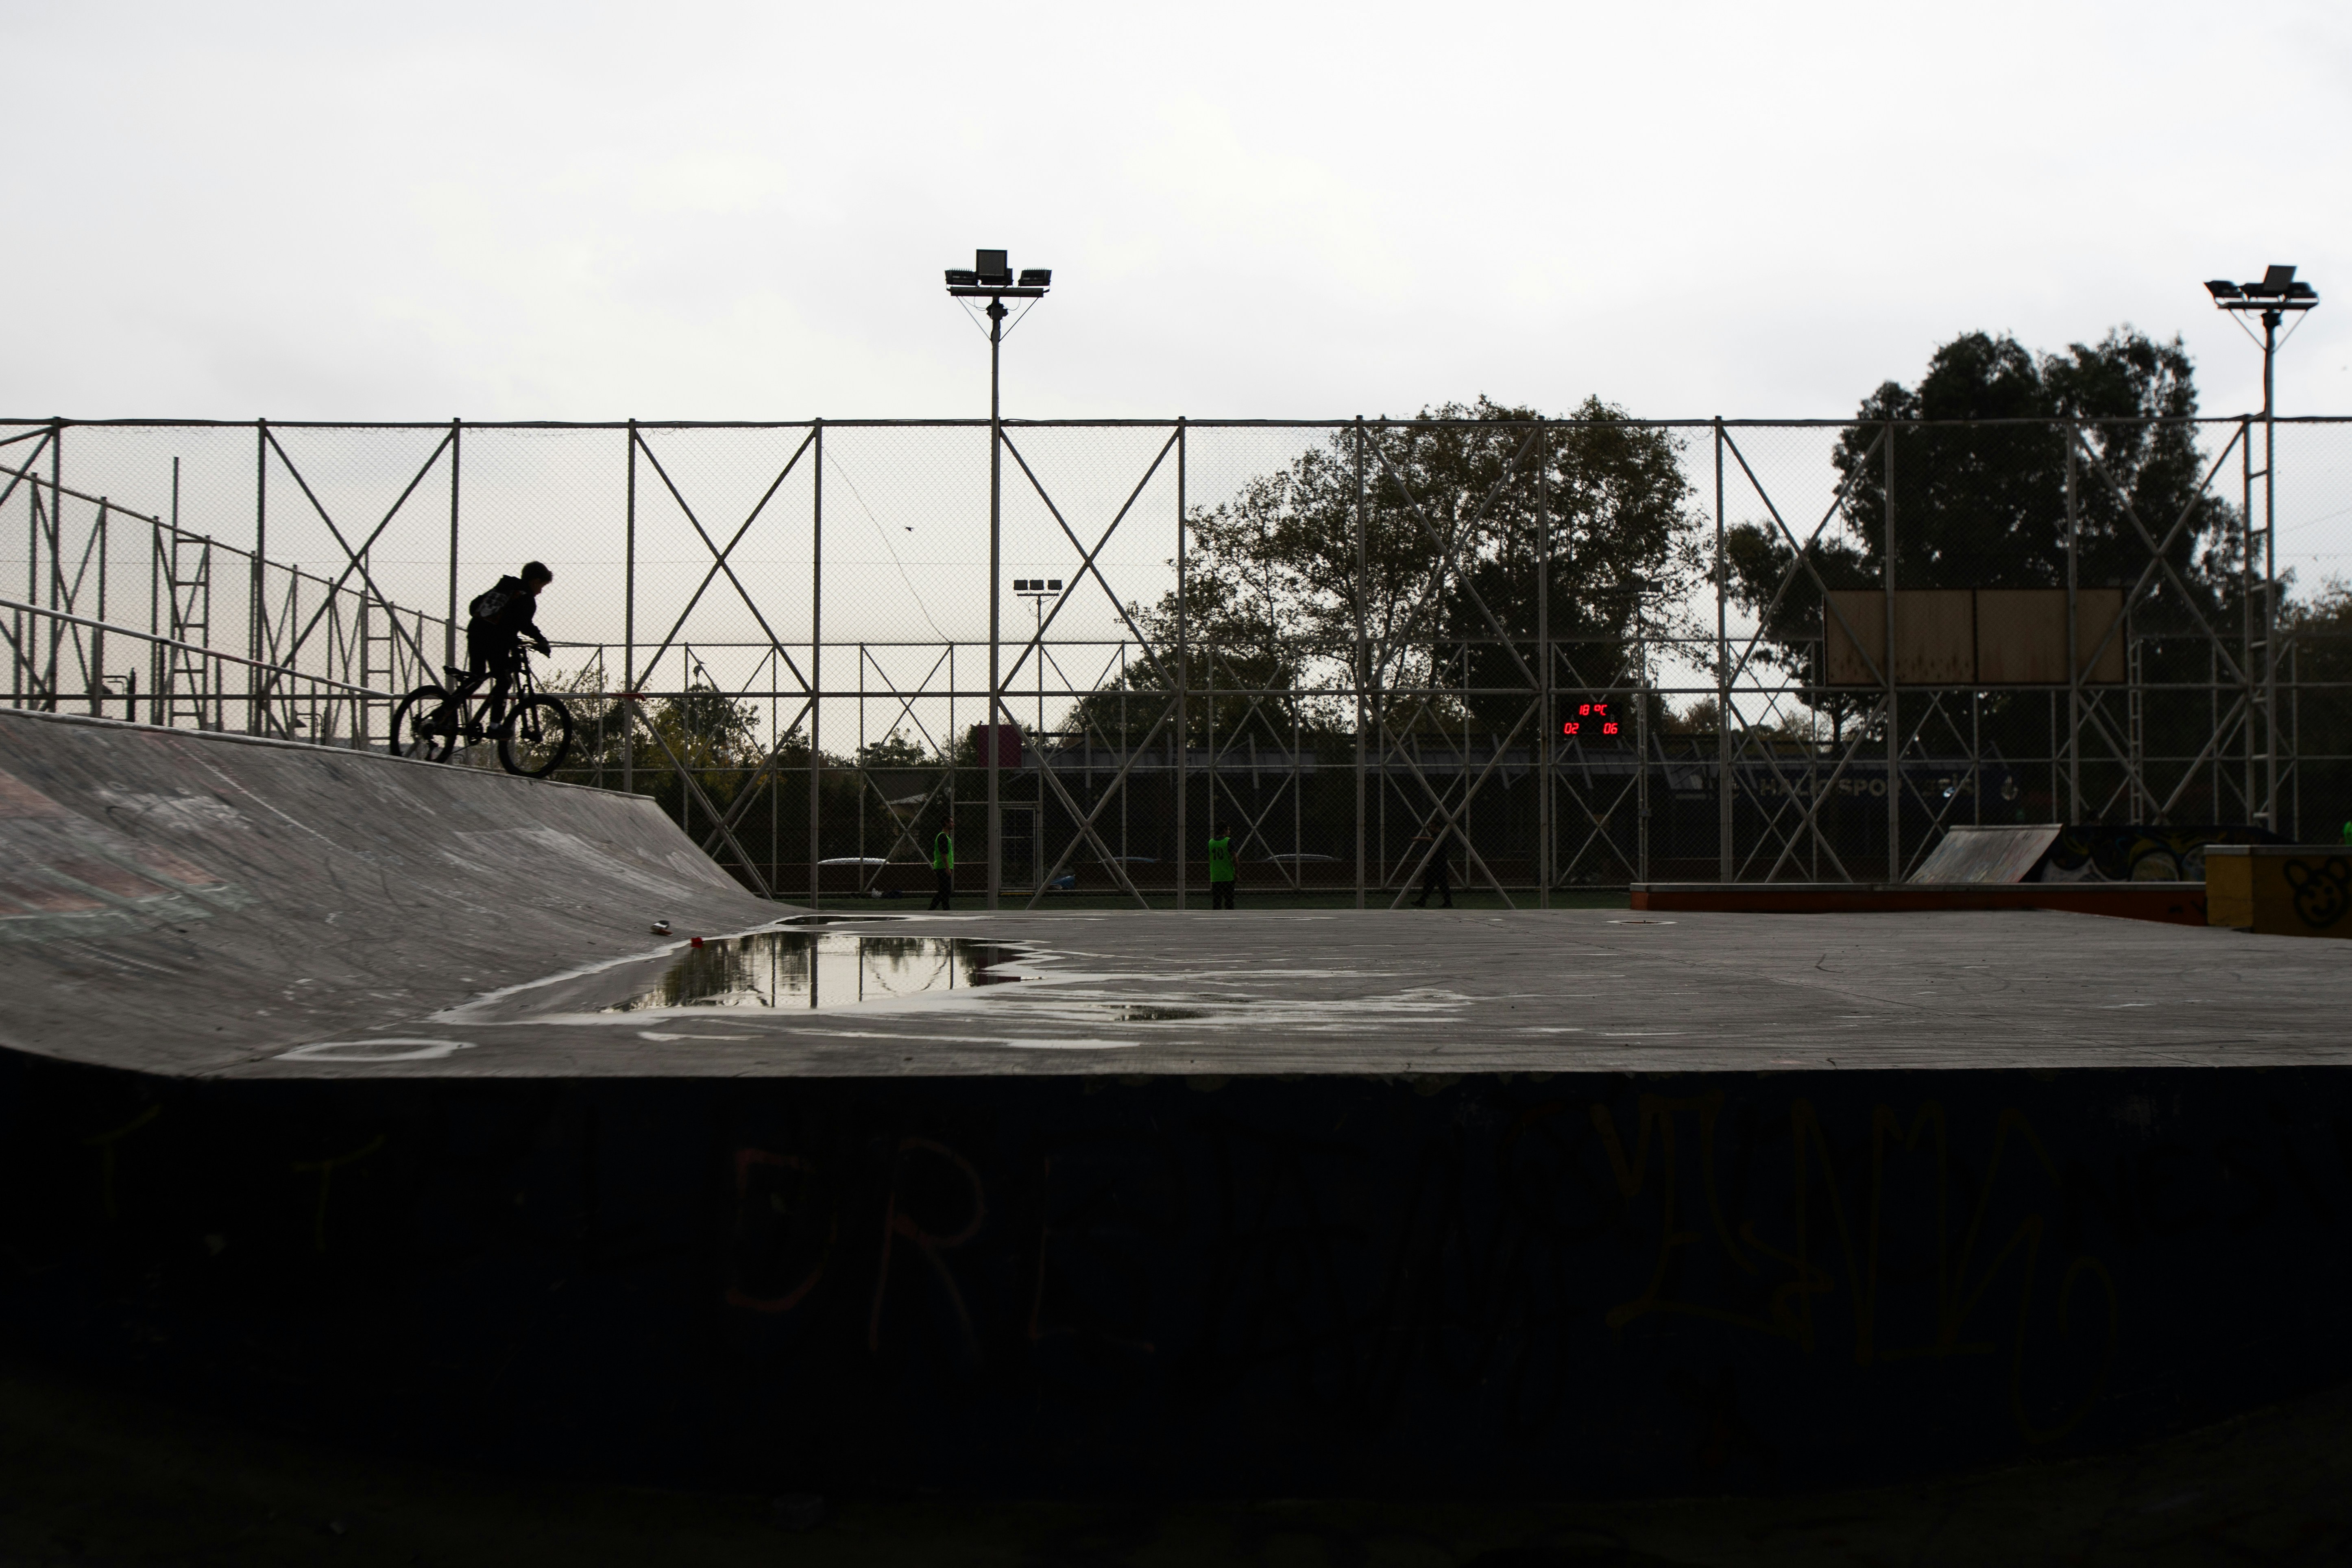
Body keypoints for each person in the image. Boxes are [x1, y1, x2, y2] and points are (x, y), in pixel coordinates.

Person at [459, 561, 554, 733]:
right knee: (504, 680)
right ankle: (495, 725)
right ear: (535, 581)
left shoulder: (505, 587)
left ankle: (444, 712)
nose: (540, 591)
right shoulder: (525, 598)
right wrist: (541, 641)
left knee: (476, 676)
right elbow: (525, 625)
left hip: (475, 633)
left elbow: (475, 606)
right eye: (542, 586)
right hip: (495, 641)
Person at [1410, 826, 1454, 909]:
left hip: (1439, 865)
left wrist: (1419, 838)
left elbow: (1433, 841)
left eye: (1432, 826)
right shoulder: (1435, 836)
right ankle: (1422, 901)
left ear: (1437, 827)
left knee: (1442, 884)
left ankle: (1448, 902)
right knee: (1429, 884)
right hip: (1434, 864)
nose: (1430, 829)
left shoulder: (1440, 837)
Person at [928, 816, 956, 910]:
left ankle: (946, 909)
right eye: (951, 822)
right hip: (942, 867)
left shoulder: (946, 837)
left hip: (944, 867)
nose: (953, 824)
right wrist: (947, 868)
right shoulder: (943, 837)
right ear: (946, 823)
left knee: (945, 891)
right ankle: (932, 909)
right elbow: (943, 854)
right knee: (944, 890)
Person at [1207, 822, 1236, 910]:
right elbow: (1235, 858)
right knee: (1229, 901)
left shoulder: (1211, 842)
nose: (1229, 831)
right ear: (1225, 830)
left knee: (1217, 901)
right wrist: (1237, 873)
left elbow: (1210, 858)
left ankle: (1216, 920)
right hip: (1228, 876)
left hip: (1216, 876)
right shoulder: (1229, 841)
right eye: (1228, 829)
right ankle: (1230, 919)